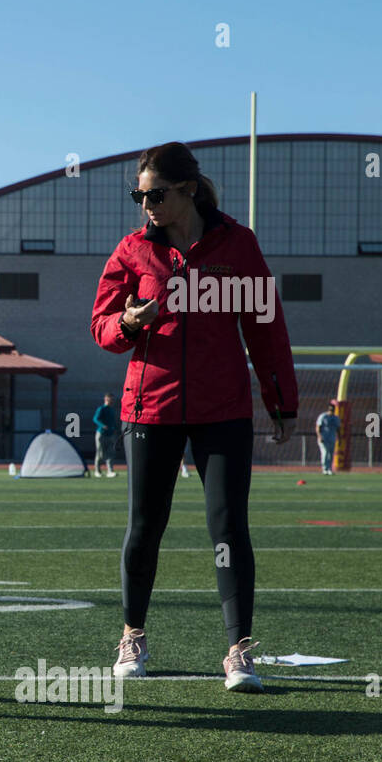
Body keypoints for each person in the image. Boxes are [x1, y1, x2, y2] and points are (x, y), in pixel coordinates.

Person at [91, 141, 298, 694]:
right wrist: (130, 323)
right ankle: (132, 635)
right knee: (145, 527)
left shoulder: (238, 245)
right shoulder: (133, 251)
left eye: (154, 194)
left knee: (229, 527)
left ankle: (239, 651)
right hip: (149, 407)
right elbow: (102, 327)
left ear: (187, 189)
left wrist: (281, 400)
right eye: (139, 195)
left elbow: (267, 330)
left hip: (222, 409)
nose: (145, 205)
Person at [92, 393, 119, 478]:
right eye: (111, 399)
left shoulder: (111, 410)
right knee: (100, 453)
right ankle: (97, 471)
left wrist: (115, 429)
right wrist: (102, 425)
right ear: (106, 399)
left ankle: (110, 471)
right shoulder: (101, 409)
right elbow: (95, 419)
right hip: (101, 434)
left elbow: (113, 421)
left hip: (110, 434)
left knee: (111, 453)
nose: (112, 401)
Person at [316, 400, 341, 475]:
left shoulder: (336, 418)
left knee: (331, 454)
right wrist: (320, 436)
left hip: (332, 438)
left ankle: (329, 469)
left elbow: (338, 429)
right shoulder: (323, 416)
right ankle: (325, 468)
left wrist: (339, 439)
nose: (331, 411)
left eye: (332, 409)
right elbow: (318, 427)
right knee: (325, 453)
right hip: (324, 438)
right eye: (330, 409)